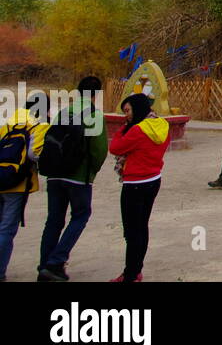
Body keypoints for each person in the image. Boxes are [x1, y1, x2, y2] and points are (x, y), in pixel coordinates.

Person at [37, 76, 107, 282]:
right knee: (81, 215)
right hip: (78, 175)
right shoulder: (94, 115)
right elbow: (99, 149)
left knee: (54, 220)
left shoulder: (64, 112)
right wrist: (91, 170)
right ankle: (56, 262)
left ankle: (44, 264)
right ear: (96, 95)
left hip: (55, 174)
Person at [108, 92, 170, 283]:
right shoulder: (163, 125)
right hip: (153, 178)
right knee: (141, 227)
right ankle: (135, 270)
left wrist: (124, 128)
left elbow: (115, 148)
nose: (126, 115)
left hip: (135, 182)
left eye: (128, 110)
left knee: (132, 231)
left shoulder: (137, 130)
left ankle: (131, 273)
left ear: (137, 108)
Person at [0, 95, 48, 282]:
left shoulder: (8, 124)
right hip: (17, 183)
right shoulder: (38, 126)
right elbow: (34, 154)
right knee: (6, 229)